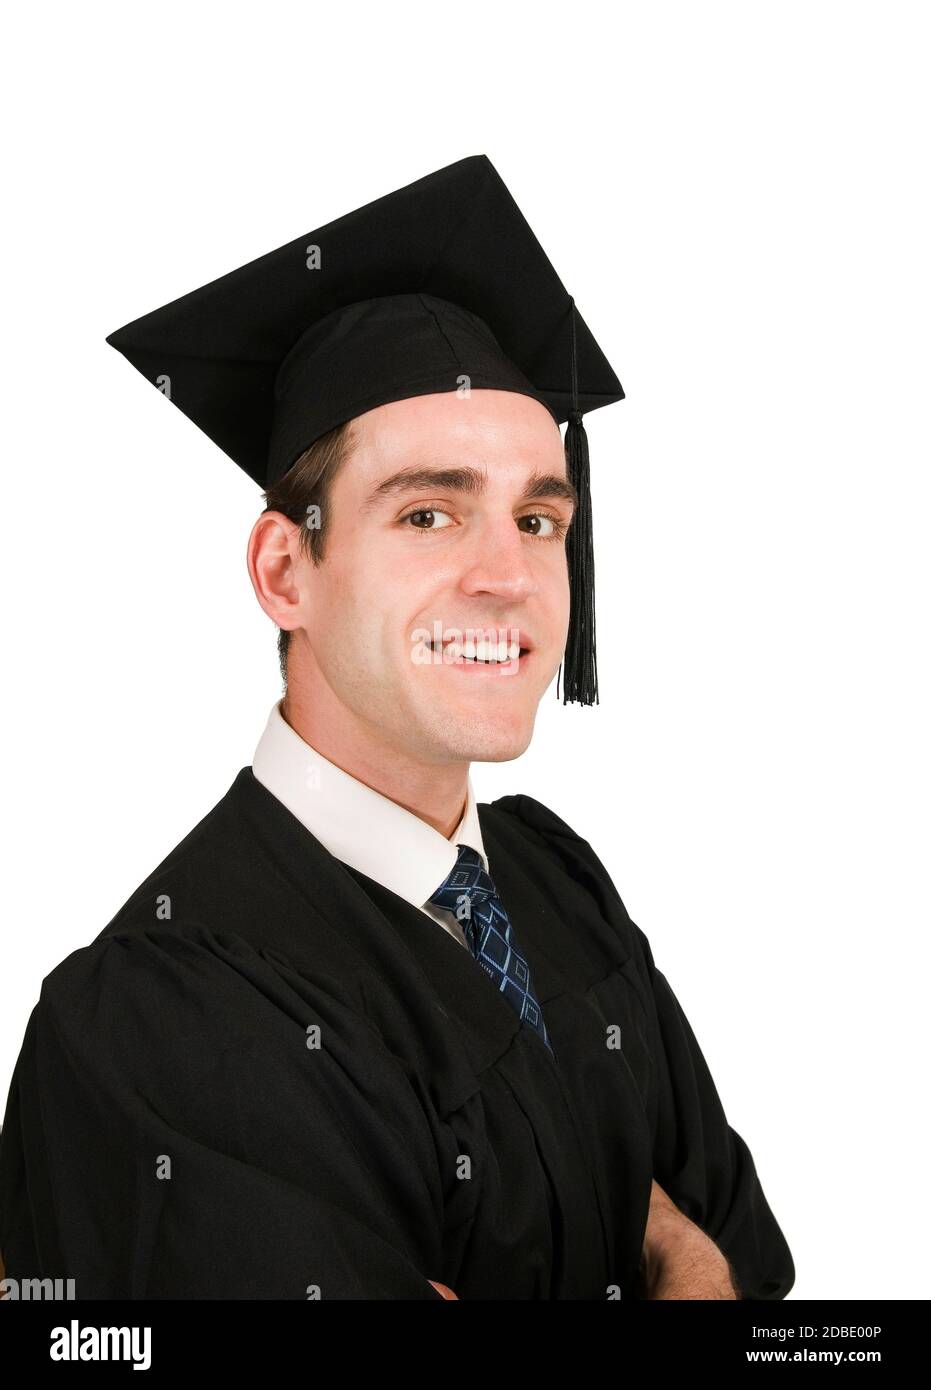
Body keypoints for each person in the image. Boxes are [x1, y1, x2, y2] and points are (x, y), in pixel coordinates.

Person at [0, 155, 794, 1300]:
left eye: (537, 516)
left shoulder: (556, 882)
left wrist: (702, 1263)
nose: (509, 575)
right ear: (286, 570)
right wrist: (672, 1258)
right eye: (429, 511)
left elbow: (755, 1271)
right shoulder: (157, 1019)